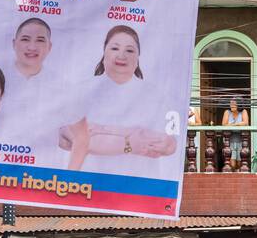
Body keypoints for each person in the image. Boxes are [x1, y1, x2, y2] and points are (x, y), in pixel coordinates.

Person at [58, 25, 179, 176]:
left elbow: (172, 139)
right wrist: (131, 137)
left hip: (139, 181)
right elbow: (67, 136)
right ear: (104, 54)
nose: (122, 55)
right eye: (115, 48)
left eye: (129, 50)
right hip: (88, 182)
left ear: (137, 59)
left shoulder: (157, 96)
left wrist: (168, 144)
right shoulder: (81, 91)